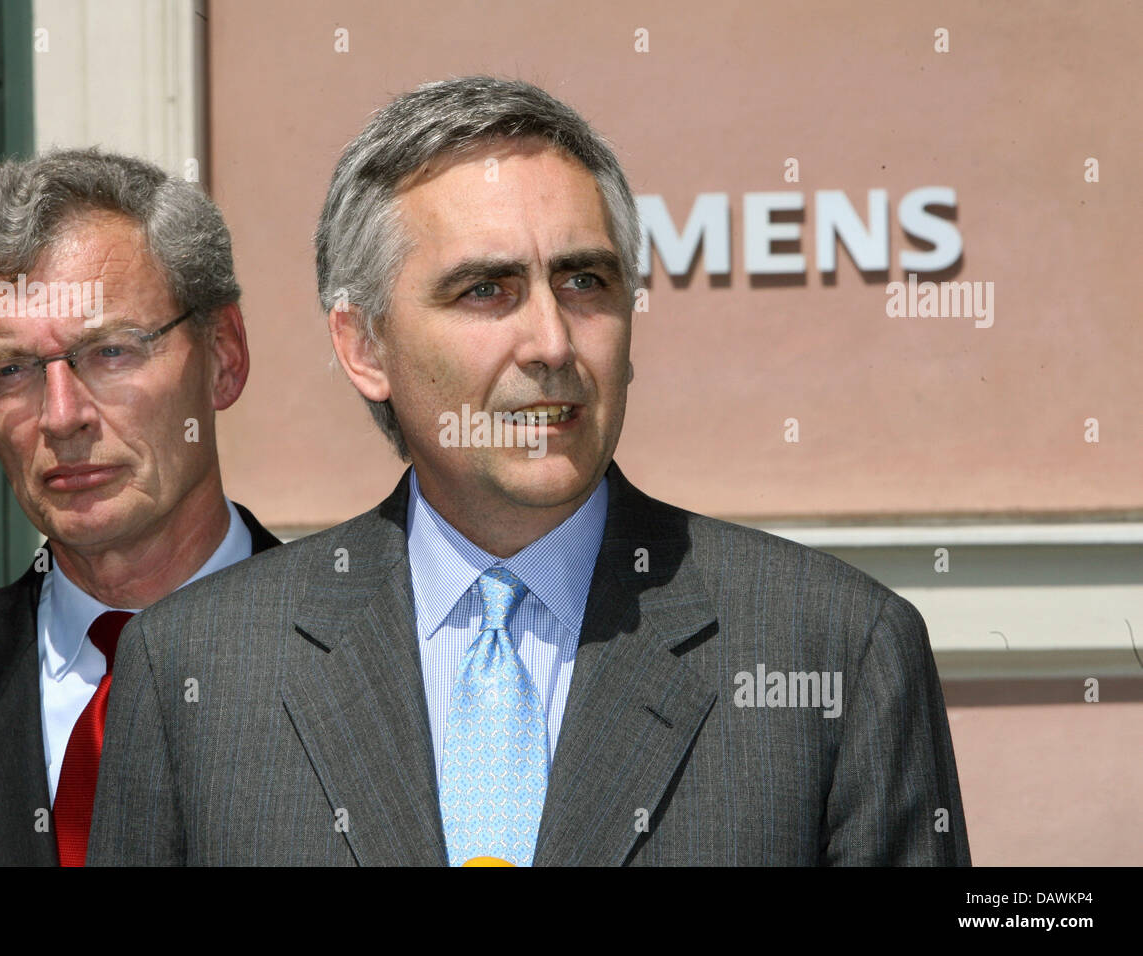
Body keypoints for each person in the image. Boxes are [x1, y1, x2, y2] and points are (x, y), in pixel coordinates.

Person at [89, 78, 969, 866]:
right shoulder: (194, 670)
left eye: (585, 282)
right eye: (486, 291)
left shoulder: (835, 649)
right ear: (363, 346)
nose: (552, 343)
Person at [0, 148, 279, 866]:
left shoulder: (392, 671)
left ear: (224, 354)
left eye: (108, 352)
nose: (61, 415)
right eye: (11, 371)